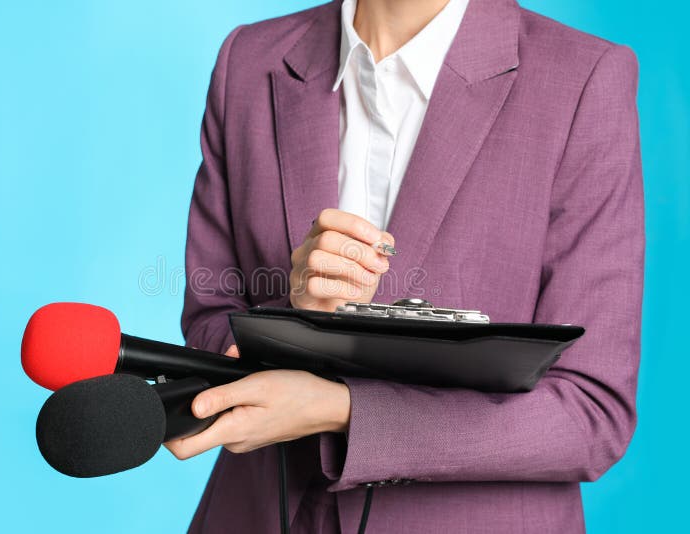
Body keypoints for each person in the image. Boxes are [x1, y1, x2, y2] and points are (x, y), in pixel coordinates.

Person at [165, 0, 644, 531]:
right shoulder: (249, 59)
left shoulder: (582, 76)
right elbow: (211, 316)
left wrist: (343, 410)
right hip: (259, 512)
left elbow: (590, 412)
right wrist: (292, 317)